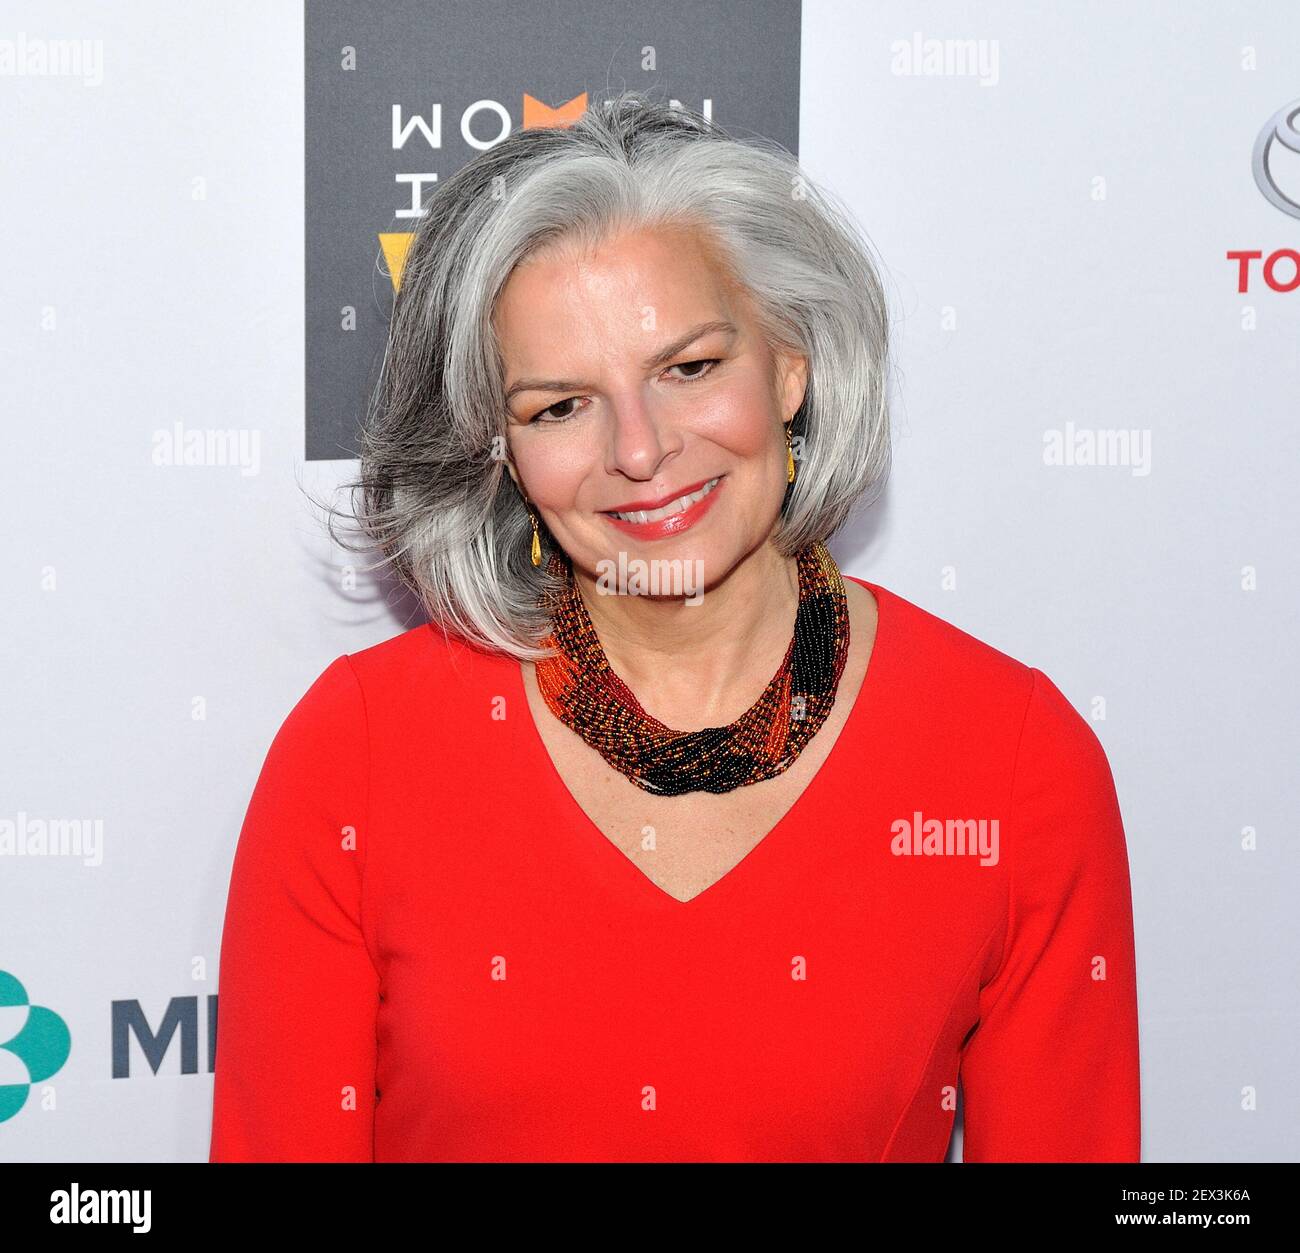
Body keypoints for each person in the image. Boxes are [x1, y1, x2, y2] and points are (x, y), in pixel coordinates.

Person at [208, 92, 1140, 1162]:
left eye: (688, 368)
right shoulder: (359, 752)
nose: (640, 451)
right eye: (559, 405)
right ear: (496, 447)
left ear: (790, 363)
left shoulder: (1008, 756)